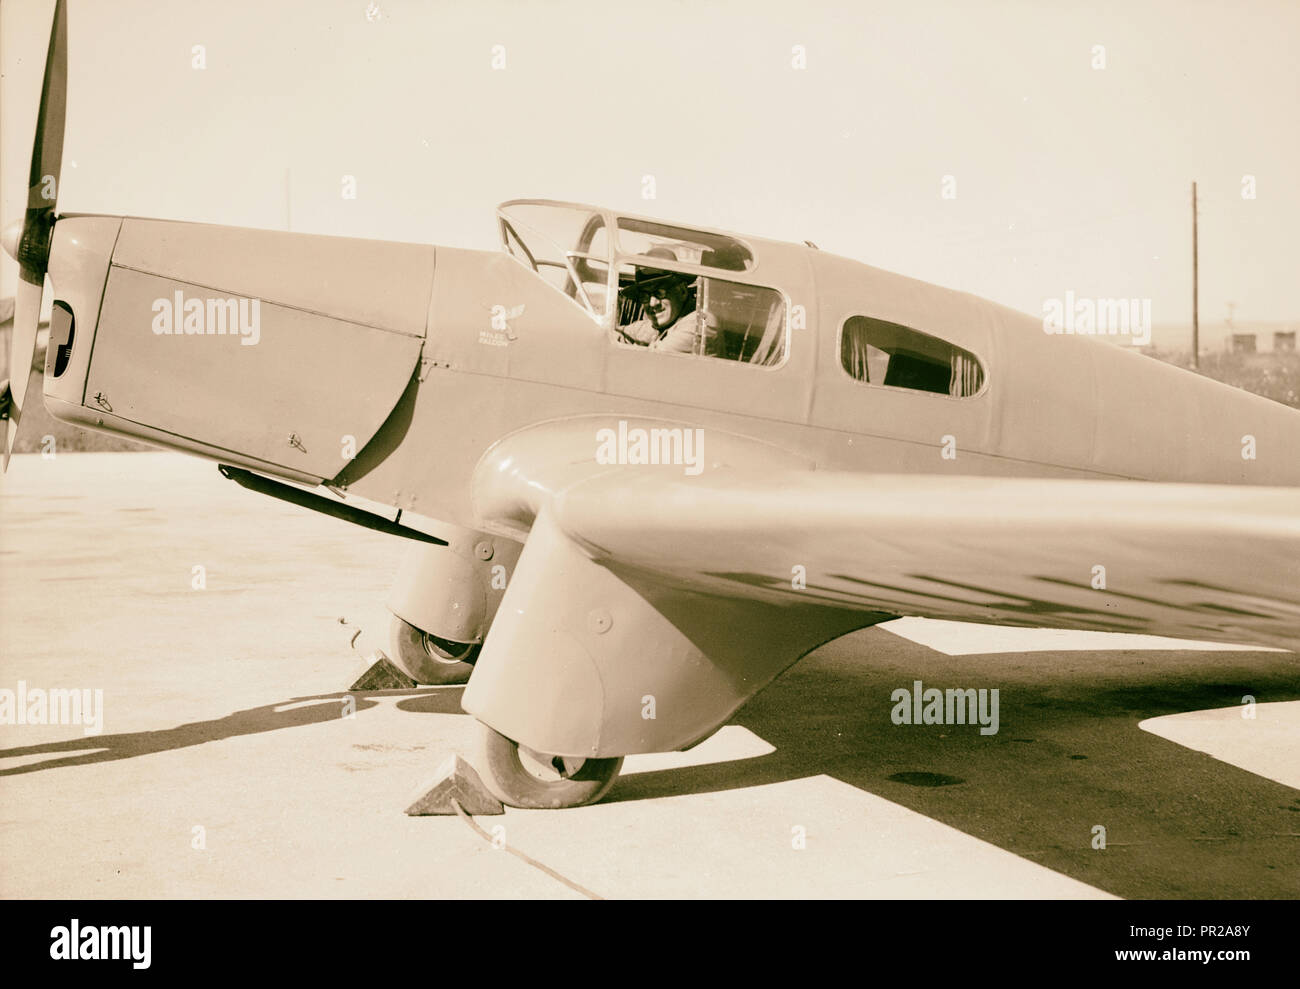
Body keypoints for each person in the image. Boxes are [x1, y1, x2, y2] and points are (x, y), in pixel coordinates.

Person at [613, 247, 717, 355]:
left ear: (682, 291)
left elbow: (649, 359)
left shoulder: (700, 324)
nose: (652, 303)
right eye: (645, 296)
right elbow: (614, 335)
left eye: (660, 293)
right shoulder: (662, 323)